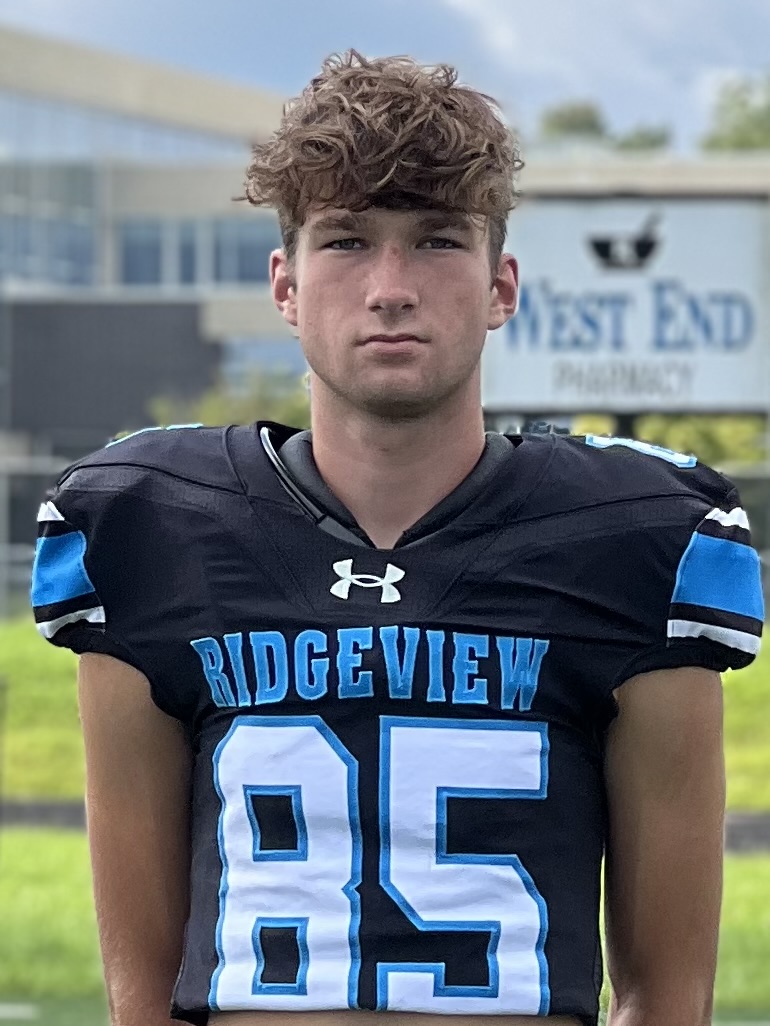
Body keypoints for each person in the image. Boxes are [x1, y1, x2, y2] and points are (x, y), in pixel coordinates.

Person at [31, 50, 762, 1026]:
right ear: (285, 286)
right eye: (346, 240)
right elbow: (142, 999)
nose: (389, 287)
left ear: (501, 286)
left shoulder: (634, 536)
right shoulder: (151, 525)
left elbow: (668, 997)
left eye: (435, 241)